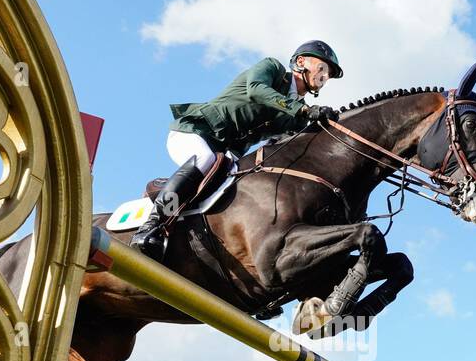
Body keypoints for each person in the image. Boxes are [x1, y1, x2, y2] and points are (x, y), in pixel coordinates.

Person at [130, 40, 345, 261]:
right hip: (194, 131)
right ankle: (151, 225)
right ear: (301, 62)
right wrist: (303, 110)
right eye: (322, 69)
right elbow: (256, 90)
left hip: (227, 154)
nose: (323, 77)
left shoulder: (295, 114)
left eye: (327, 75)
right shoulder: (273, 69)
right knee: (206, 158)